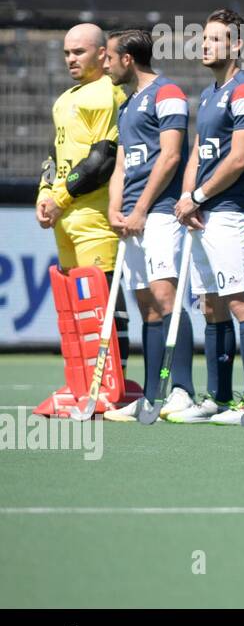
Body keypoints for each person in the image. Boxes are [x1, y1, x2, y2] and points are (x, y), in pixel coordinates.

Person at [167, 9, 244, 424]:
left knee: (241, 300)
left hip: (230, 212)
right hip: (203, 211)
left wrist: (199, 196)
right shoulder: (209, 94)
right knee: (211, 304)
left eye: (214, 39)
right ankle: (220, 397)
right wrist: (187, 197)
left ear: (237, 45)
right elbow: (198, 152)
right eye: (203, 38)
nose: (204, 45)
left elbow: (239, 159)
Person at [103, 29, 194, 421]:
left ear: (128, 59)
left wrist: (141, 208)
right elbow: (122, 164)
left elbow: (170, 157)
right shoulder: (126, 105)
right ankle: (152, 395)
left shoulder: (167, 93)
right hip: (132, 216)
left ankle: (183, 390)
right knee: (147, 307)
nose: (105, 65)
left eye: (109, 58)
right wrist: (115, 208)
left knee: (164, 296)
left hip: (160, 211)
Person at [38, 23, 129, 383]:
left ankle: (113, 381)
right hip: (65, 219)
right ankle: (82, 381)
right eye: (67, 53)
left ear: (102, 54)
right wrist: (44, 194)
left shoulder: (109, 94)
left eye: (79, 52)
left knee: (103, 306)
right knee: (74, 307)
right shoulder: (64, 99)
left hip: (96, 218)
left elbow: (102, 161)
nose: (71, 59)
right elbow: (53, 155)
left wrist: (59, 197)